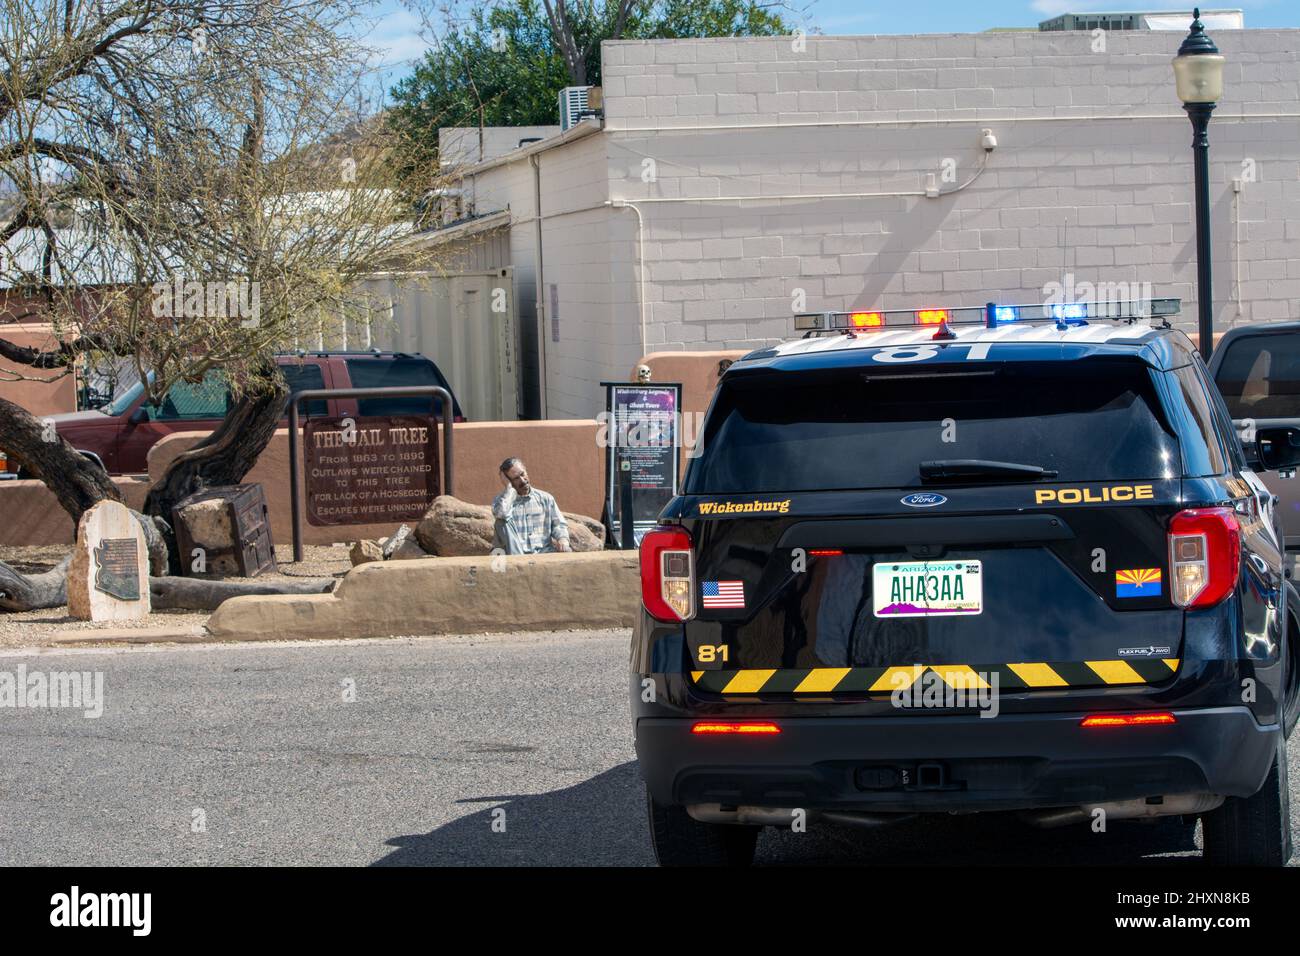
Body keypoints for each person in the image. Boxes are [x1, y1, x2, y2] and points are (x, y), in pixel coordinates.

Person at [491, 457, 571, 554]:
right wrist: (509, 489)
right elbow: (501, 516)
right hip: (518, 557)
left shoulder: (546, 498)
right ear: (509, 481)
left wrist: (562, 539)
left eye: (522, 474)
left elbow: (559, 524)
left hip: (545, 554)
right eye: (516, 478)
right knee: (501, 521)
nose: (522, 480)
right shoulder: (502, 502)